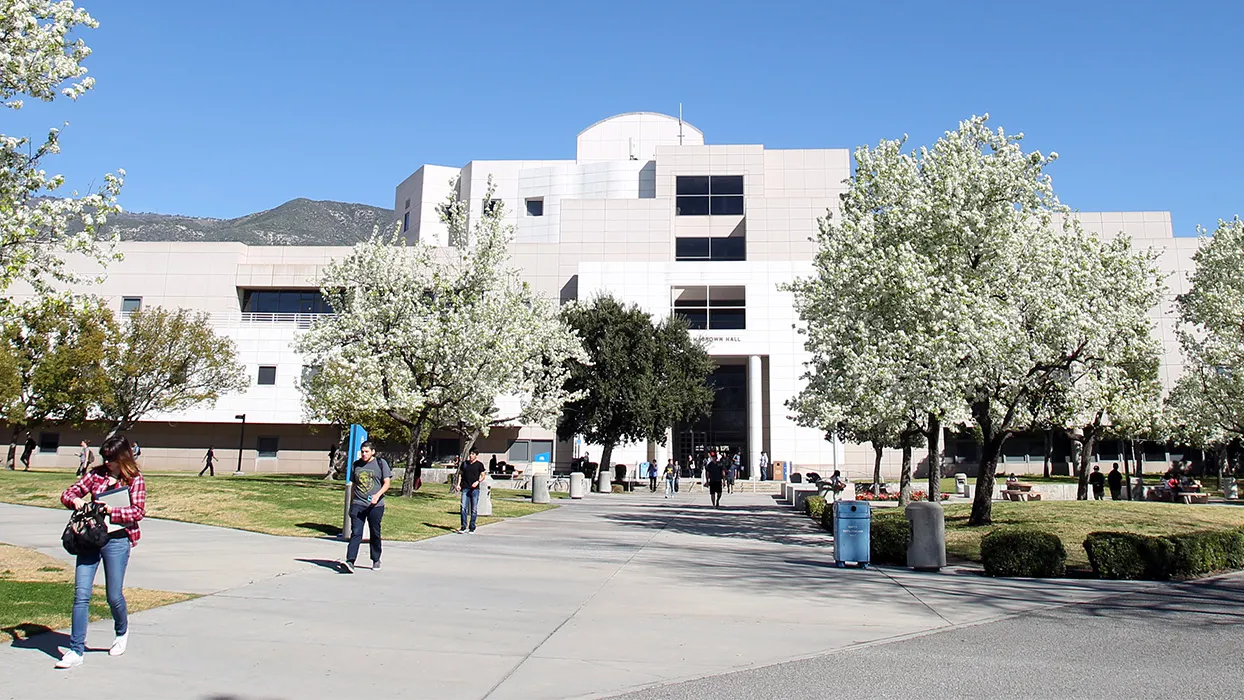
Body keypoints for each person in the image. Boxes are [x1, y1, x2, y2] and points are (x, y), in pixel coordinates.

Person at [56, 435, 146, 669]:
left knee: (113, 595)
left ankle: (121, 630)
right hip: (91, 538)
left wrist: (112, 510)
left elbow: (137, 512)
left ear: (123, 457)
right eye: (105, 458)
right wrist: (74, 500)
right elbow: (68, 493)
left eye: (112, 459)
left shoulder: (134, 479)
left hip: (117, 540)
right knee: (81, 594)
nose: (107, 462)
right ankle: (76, 649)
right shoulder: (96, 476)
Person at [340, 441, 391, 573]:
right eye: (362, 451)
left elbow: (387, 483)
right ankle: (350, 561)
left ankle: (376, 559)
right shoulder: (356, 465)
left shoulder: (381, 463)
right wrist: (351, 503)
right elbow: (353, 485)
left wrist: (377, 495)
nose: (364, 454)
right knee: (356, 532)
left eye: (366, 451)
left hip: (376, 505)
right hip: (358, 503)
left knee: (375, 532)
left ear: (373, 452)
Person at [456, 450, 485, 533]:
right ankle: (463, 526)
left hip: (475, 489)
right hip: (465, 488)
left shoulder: (479, 465)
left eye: (473, 454)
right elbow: (460, 474)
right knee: (463, 508)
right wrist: (458, 484)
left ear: (476, 455)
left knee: (474, 509)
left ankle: (472, 527)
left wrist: (477, 482)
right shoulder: (465, 464)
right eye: (470, 454)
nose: (471, 456)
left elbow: (483, 476)